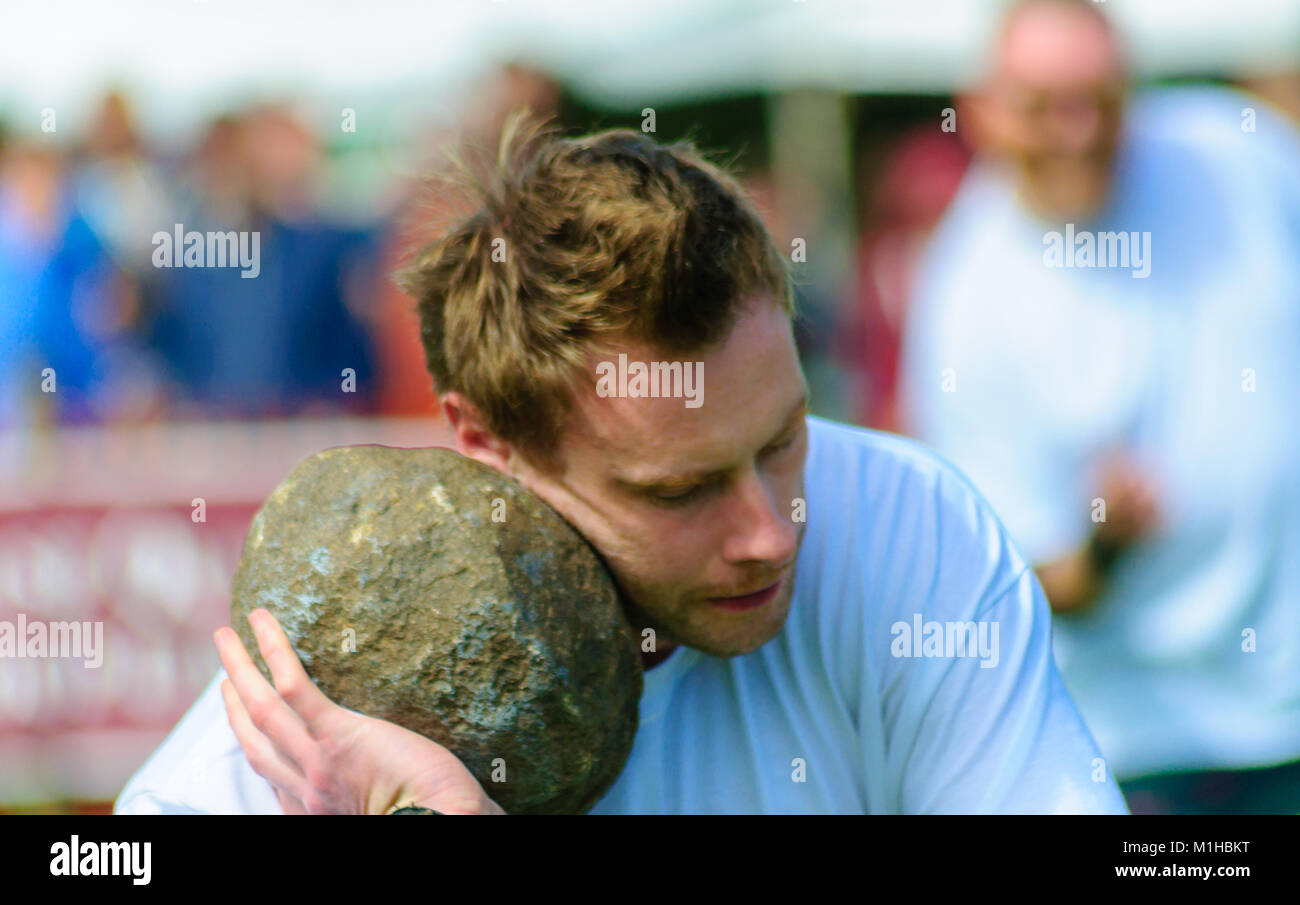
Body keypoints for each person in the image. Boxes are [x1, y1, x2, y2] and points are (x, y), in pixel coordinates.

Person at [116, 115, 1127, 814]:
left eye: (781, 439)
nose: (771, 530)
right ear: (486, 443)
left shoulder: (911, 530)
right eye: (677, 487)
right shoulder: (320, 713)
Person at [900, 0, 1300, 812]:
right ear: (981, 112)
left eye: (1101, 100)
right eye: (1046, 107)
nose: (1079, 131)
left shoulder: (1233, 149)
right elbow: (1014, 580)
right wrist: (1103, 546)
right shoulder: (966, 300)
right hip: (1143, 743)